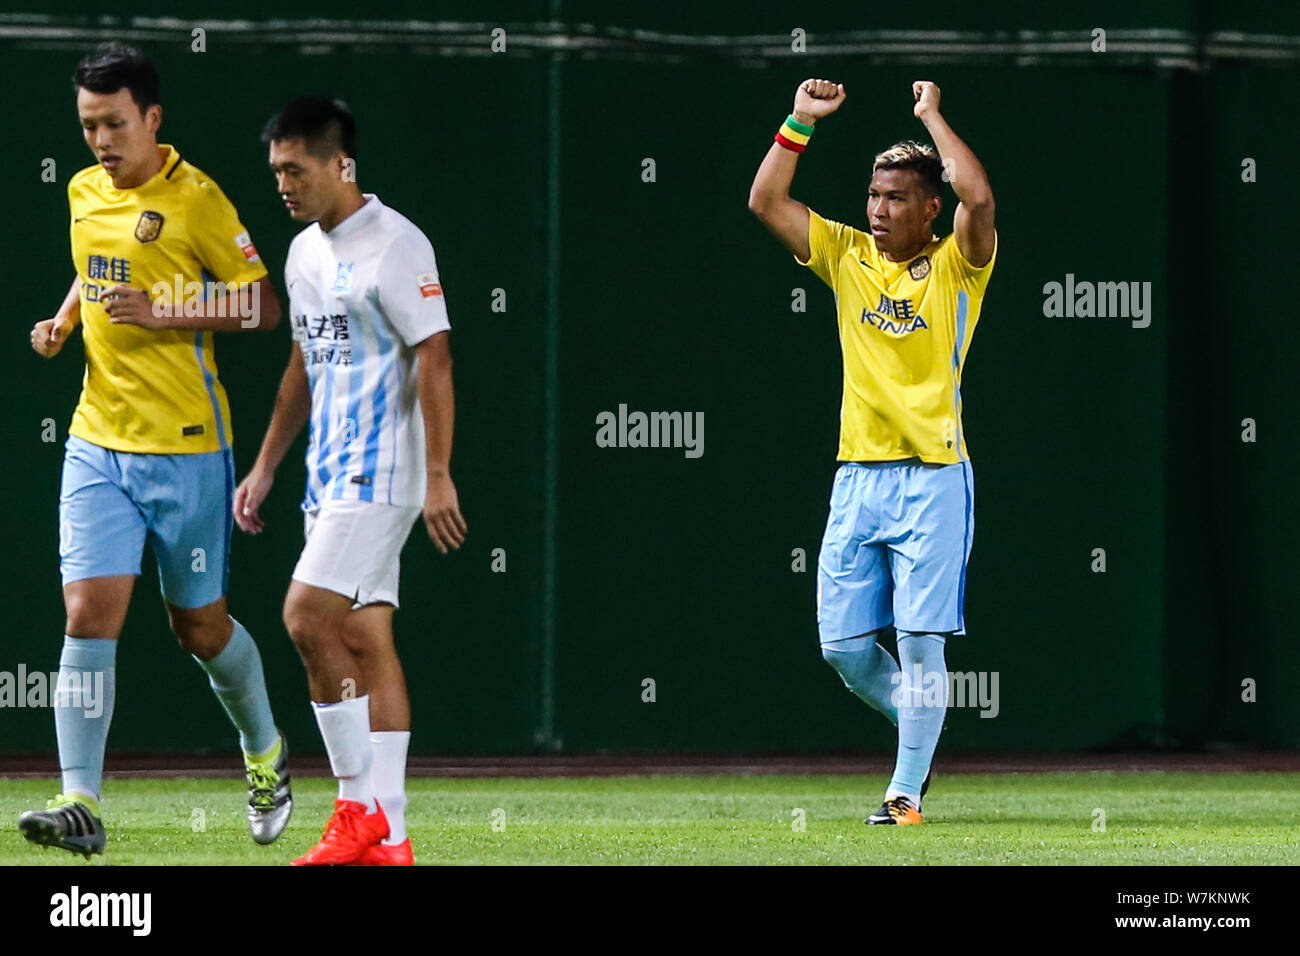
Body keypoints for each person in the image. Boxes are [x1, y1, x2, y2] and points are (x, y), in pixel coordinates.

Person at [20, 42, 292, 857]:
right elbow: (97, 266)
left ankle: (266, 753)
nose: (100, 140)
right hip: (97, 441)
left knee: (199, 628)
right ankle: (80, 801)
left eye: (113, 123)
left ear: (153, 118)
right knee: (85, 614)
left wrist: (166, 308)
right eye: (87, 125)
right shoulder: (81, 191)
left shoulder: (198, 199)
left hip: (187, 448)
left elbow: (263, 307)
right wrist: (67, 320)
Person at [748, 78, 997, 824]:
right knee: (843, 648)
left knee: (921, 644)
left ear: (930, 209)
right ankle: (922, 735)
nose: (879, 209)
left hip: (934, 479)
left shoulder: (959, 265)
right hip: (858, 478)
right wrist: (799, 121)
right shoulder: (847, 256)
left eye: (896, 198)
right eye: (873, 194)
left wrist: (930, 116)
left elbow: (978, 199)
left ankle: (904, 792)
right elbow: (765, 202)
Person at [236, 96, 466, 865]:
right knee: (365, 636)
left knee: (306, 618)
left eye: (295, 169)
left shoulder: (397, 245)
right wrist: (268, 464)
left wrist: (438, 475)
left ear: (340, 164)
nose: (284, 184)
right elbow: (302, 363)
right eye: (275, 171)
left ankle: (354, 808)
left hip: (386, 472)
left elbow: (435, 356)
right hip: (326, 475)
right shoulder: (303, 254)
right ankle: (391, 838)